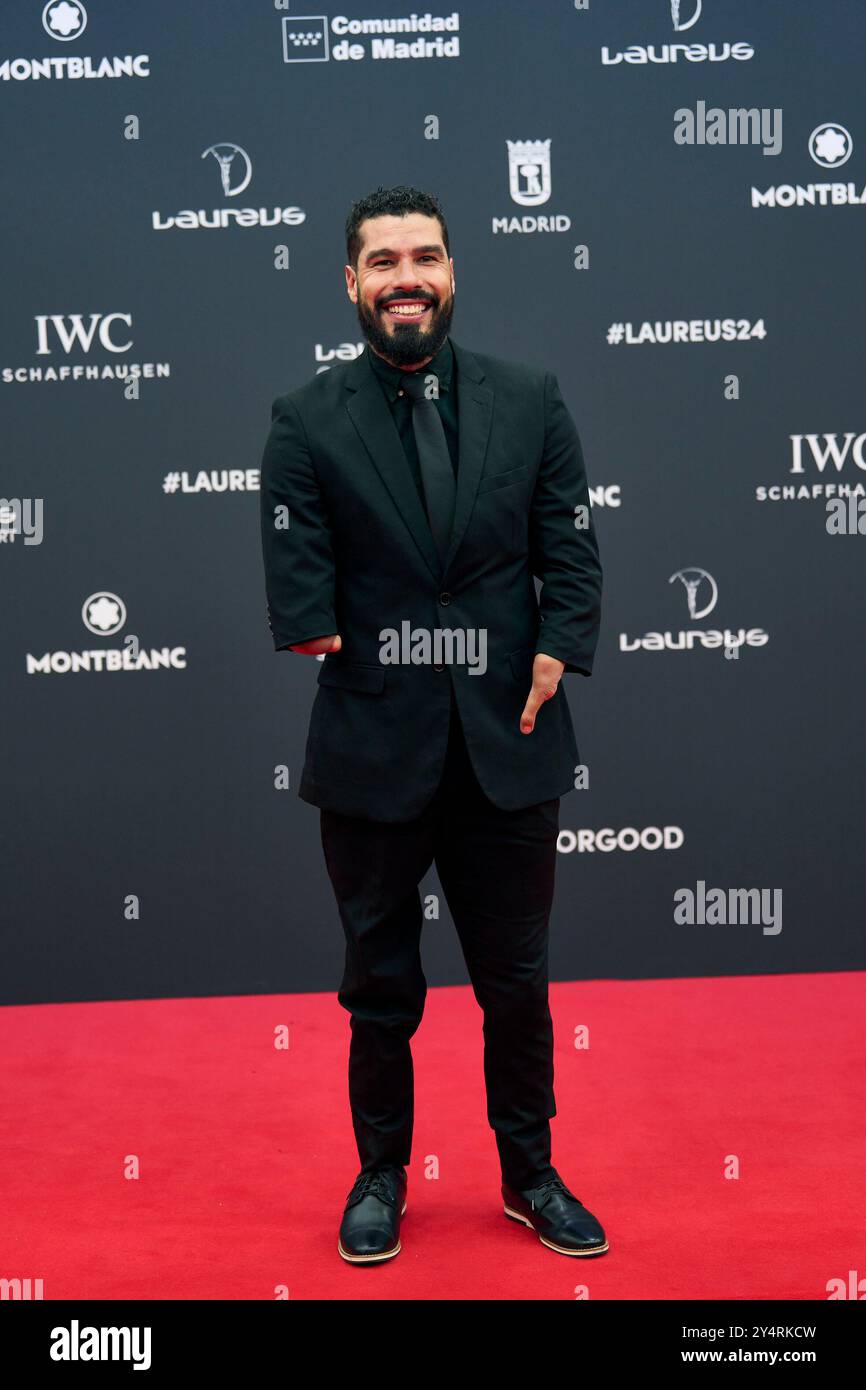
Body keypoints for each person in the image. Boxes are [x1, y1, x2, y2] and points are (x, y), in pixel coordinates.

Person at [259, 185, 607, 1263]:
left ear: (451, 271)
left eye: (423, 257)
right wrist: (353, 629)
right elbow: (302, 600)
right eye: (381, 261)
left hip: (510, 740)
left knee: (517, 980)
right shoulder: (304, 420)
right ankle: (378, 1176)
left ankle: (530, 1172)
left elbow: (570, 547)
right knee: (379, 990)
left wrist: (563, 644)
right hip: (374, 752)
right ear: (350, 282)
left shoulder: (530, 397)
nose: (403, 276)